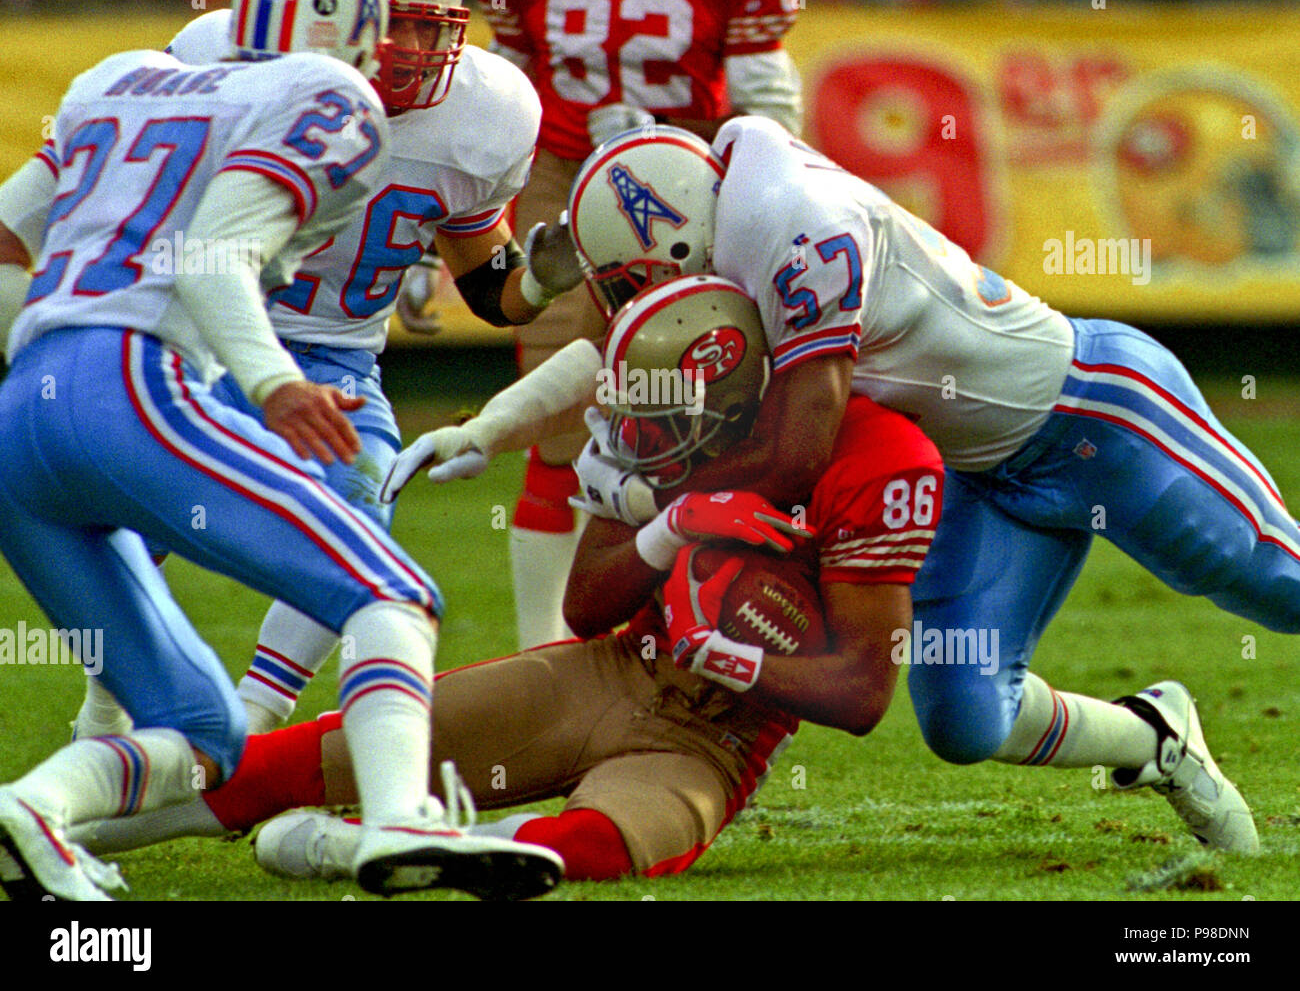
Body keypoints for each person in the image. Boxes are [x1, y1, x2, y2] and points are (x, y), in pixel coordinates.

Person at [392, 118, 1280, 854]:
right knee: (968, 717)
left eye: (643, 281)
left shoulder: (789, 224)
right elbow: (623, 354)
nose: (640, 304)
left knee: (1282, 587)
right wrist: (488, 428)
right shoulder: (707, 204)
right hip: (984, 471)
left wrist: (649, 504)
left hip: (1095, 417)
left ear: (681, 241)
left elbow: (798, 451)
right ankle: (1160, 738)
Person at [0, 0, 561, 902]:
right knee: (391, 592)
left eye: (430, 26)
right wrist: (271, 386)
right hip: (167, 366)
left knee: (201, 729)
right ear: (352, 25)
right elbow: (219, 262)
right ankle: (397, 823)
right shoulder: (325, 95)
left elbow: (11, 229)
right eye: (392, 24)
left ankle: (40, 806)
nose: (408, 48)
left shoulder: (122, 78)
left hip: (38, 405)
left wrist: (33, 358)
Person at [65, 275, 944, 881]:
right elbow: (587, 605)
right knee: (290, 761)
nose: (644, 442)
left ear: (743, 395)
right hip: (607, 670)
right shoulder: (656, 412)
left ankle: (389, 845)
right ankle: (41, 823)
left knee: (595, 848)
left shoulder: (875, 460)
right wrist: (670, 528)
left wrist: (731, 658)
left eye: (670, 423)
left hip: (712, 738)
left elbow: (865, 692)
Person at [478, 0, 804, 649]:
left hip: (688, 174)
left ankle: (687, 625)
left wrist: (698, 152)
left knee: (691, 401)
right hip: (560, 175)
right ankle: (542, 653)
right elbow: (494, 105)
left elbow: (770, 119)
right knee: (556, 416)